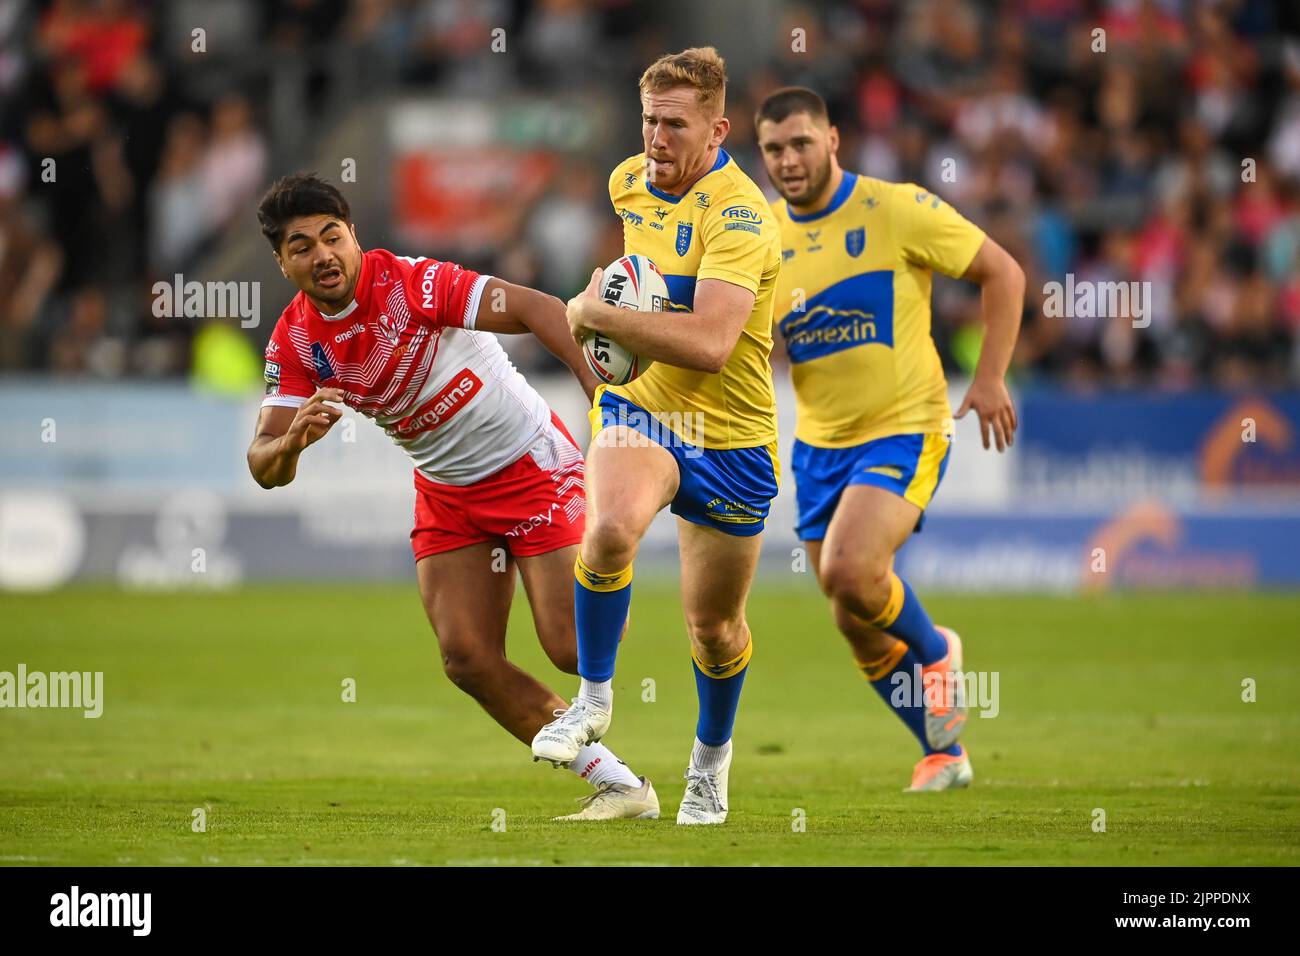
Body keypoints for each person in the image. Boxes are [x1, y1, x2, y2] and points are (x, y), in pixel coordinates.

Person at [247, 172, 658, 820]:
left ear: (354, 236)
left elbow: (533, 306)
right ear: (282, 261)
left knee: (572, 650)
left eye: (332, 237)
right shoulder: (294, 341)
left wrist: (604, 403)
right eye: (302, 247)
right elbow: (264, 465)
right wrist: (293, 440)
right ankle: (621, 786)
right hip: (447, 493)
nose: (322, 255)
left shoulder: (412, 283)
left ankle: (612, 545)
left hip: (532, 469)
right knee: (466, 657)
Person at [536, 48, 782, 825]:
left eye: (675, 124)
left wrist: (594, 313)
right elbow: (643, 275)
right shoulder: (627, 184)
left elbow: (711, 343)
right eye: (649, 119)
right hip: (641, 410)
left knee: (714, 630)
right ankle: (593, 702)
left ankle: (710, 765)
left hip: (730, 434)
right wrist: (613, 328)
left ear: (719, 129)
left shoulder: (740, 216)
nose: (657, 138)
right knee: (607, 530)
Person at [755, 88, 1024, 791]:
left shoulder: (894, 207)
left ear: (834, 139)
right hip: (818, 446)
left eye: (801, 143)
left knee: (848, 571)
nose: (788, 160)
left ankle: (938, 652)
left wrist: (990, 377)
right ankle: (945, 754)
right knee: (854, 619)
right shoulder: (763, 238)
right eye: (774, 149)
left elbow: (1005, 272)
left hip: (904, 426)